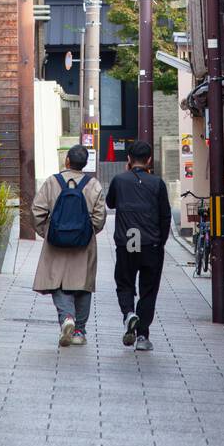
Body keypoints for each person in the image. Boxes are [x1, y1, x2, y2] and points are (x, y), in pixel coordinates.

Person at [32, 144, 106, 348]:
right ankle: (80, 331)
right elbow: (99, 218)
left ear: (66, 161)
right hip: (83, 245)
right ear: (84, 164)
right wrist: (87, 234)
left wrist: (46, 233)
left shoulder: (51, 182)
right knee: (83, 285)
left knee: (57, 281)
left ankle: (66, 319)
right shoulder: (93, 185)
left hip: (56, 243)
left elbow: (37, 211)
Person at [106, 141, 171, 352]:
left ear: (128, 159)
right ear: (149, 160)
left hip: (127, 243)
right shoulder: (157, 183)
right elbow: (165, 215)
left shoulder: (119, 180)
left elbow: (110, 203)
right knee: (148, 290)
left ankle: (128, 314)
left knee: (125, 283)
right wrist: (160, 242)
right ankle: (142, 335)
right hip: (150, 243)